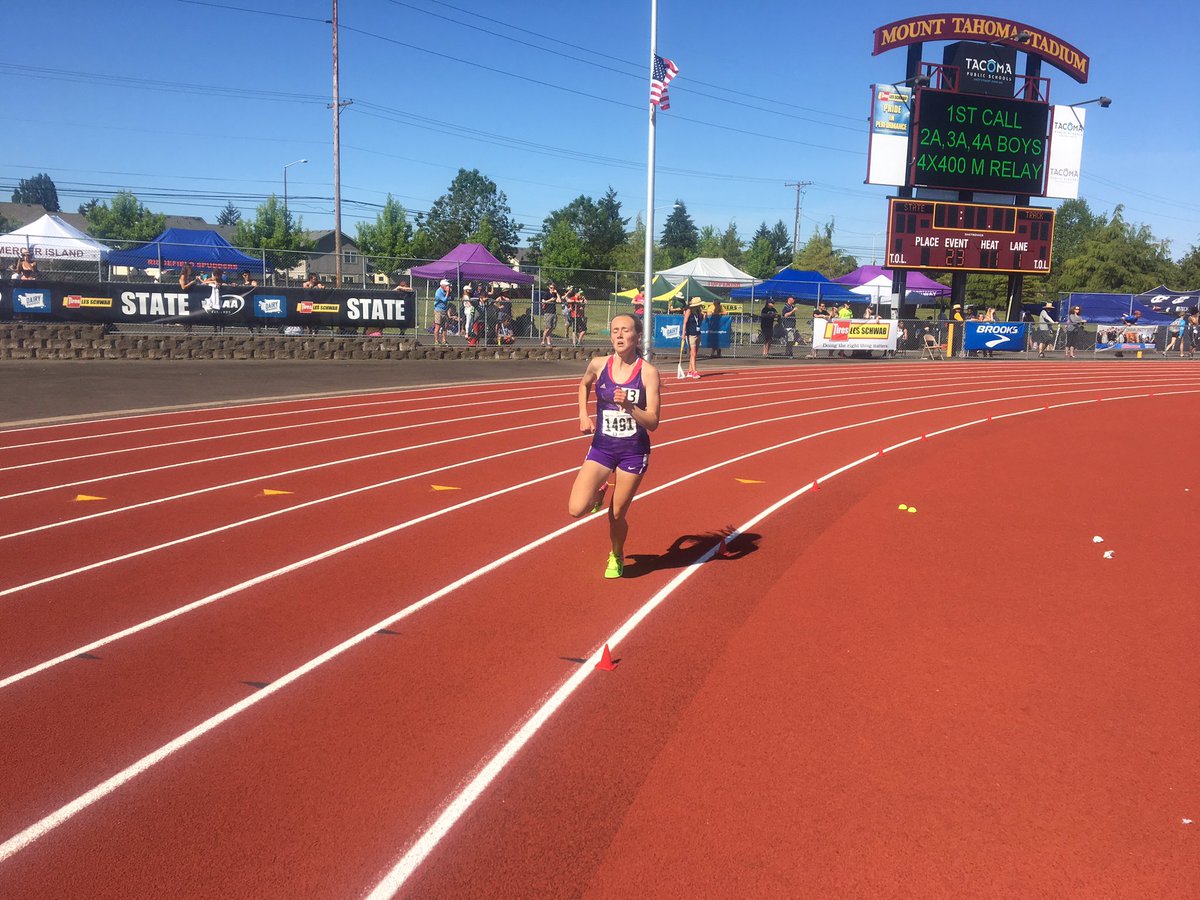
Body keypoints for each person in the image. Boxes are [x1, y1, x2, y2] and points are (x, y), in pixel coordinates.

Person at [567, 313, 662, 579]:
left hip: (633, 451)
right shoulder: (598, 364)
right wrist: (583, 415)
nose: (619, 335)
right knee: (575, 509)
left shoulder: (648, 373)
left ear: (637, 336)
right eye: (615, 331)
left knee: (617, 513)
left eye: (625, 330)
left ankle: (616, 554)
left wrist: (630, 407)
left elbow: (653, 422)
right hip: (602, 447)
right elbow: (583, 385)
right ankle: (600, 491)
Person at [682, 296, 704, 378]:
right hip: (691, 334)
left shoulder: (699, 312)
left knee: (693, 353)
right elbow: (685, 322)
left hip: (697, 333)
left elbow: (700, 321)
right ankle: (694, 371)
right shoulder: (689, 311)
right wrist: (683, 333)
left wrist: (702, 316)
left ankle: (690, 371)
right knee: (693, 353)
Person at [433, 278, 451, 346]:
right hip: (438, 311)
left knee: (445, 327)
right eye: (446, 285)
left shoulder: (445, 291)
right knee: (437, 326)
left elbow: (451, 298)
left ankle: (444, 340)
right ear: (442, 285)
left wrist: (449, 292)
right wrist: (447, 293)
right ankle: (436, 341)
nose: (447, 287)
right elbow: (444, 300)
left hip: (444, 310)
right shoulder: (438, 292)